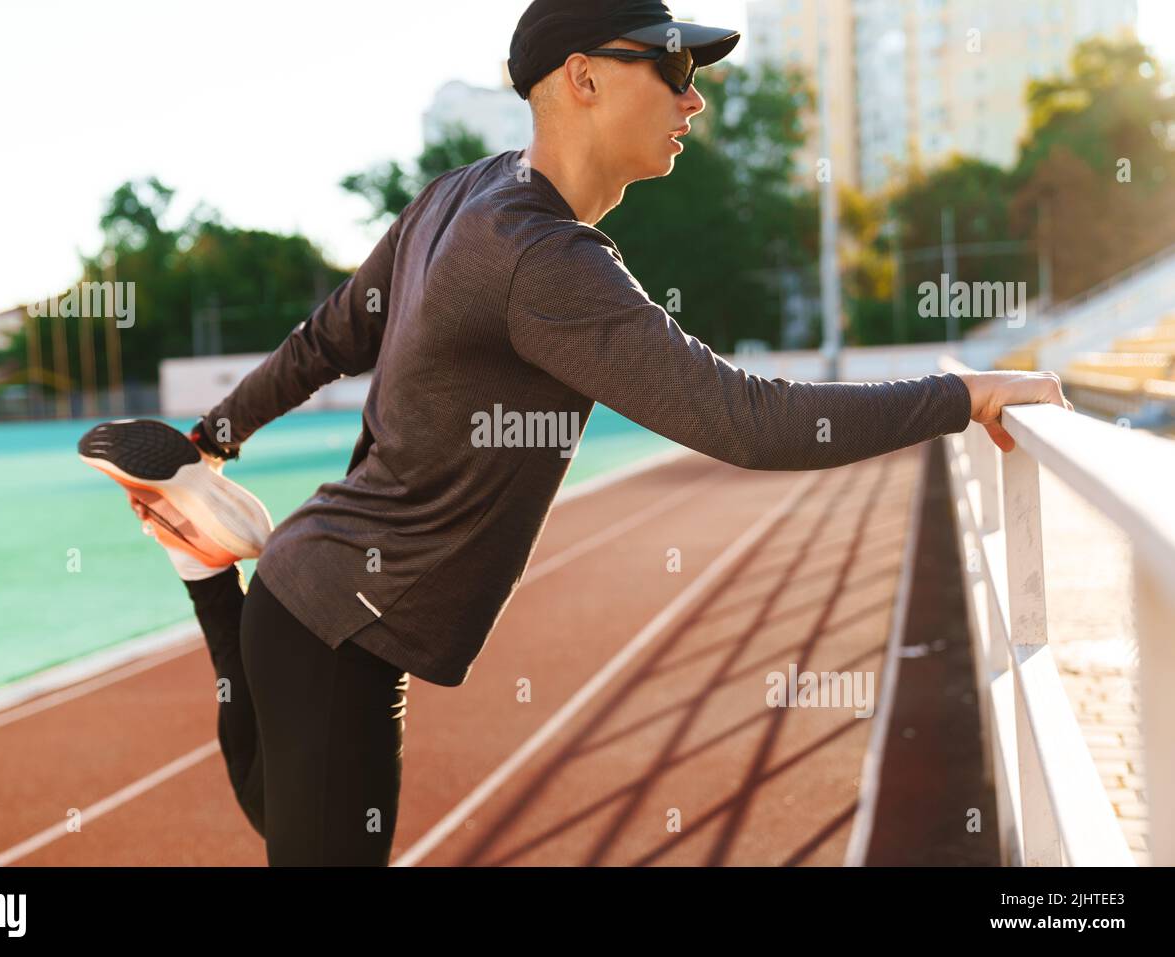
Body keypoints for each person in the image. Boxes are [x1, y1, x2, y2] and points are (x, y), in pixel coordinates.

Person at [103, 0, 1074, 867]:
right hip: (335, 626)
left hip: (314, 598)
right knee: (304, 835)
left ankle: (206, 573)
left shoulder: (456, 196)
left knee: (291, 821)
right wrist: (962, 398)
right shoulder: (542, 258)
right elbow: (745, 419)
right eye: (677, 71)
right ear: (583, 78)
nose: (695, 103)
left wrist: (212, 439)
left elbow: (328, 336)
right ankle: (207, 573)